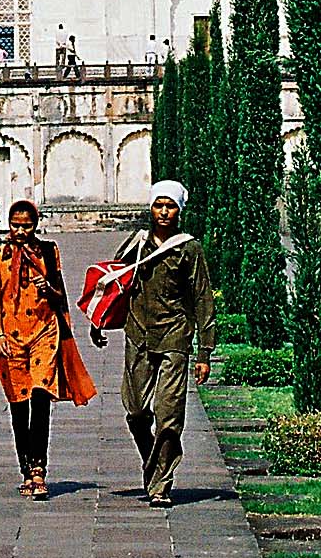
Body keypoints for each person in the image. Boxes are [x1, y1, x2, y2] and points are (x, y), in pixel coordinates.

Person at [90, 179, 216, 508]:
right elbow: (111, 282)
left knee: (169, 414)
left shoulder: (189, 249)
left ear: (179, 210)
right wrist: (98, 320)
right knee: (134, 411)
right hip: (139, 334)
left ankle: (161, 482)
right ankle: (154, 462)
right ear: (150, 207)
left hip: (175, 335)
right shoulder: (137, 243)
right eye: (158, 205)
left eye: (170, 206)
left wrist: (205, 351)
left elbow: (203, 299)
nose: (163, 211)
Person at [0, 199, 96, 500]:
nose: (21, 231)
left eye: (27, 225)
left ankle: (39, 469)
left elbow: (61, 294)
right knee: (19, 405)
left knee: (40, 396)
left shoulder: (48, 251)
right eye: (16, 225)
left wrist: (47, 288)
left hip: (44, 331)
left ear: (36, 225)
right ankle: (25, 468)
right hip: (12, 336)